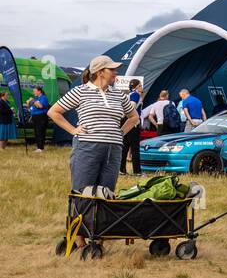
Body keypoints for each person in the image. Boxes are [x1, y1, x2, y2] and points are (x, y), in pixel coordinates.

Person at [48, 55, 139, 213]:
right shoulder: (80, 91)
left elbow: (134, 117)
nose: (116, 72)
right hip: (87, 147)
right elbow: (54, 112)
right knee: (82, 192)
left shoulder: (119, 95)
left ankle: (98, 235)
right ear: (100, 72)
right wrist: (73, 130)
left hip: (114, 149)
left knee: (106, 193)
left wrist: (120, 132)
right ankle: (78, 236)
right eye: (112, 69)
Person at [120, 79, 143, 174]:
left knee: (125, 147)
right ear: (137, 87)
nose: (142, 87)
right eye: (140, 85)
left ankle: (122, 169)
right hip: (132, 122)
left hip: (125, 121)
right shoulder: (136, 94)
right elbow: (131, 108)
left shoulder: (128, 95)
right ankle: (137, 171)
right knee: (135, 148)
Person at [28, 86, 51, 151]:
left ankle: (41, 148)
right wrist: (29, 102)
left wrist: (33, 101)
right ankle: (38, 147)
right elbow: (30, 107)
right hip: (35, 117)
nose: (33, 92)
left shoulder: (43, 98)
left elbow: (40, 106)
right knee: (36, 132)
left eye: (35, 91)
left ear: (39, 91)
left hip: (41, 117)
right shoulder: (36, 98)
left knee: (40, 132)